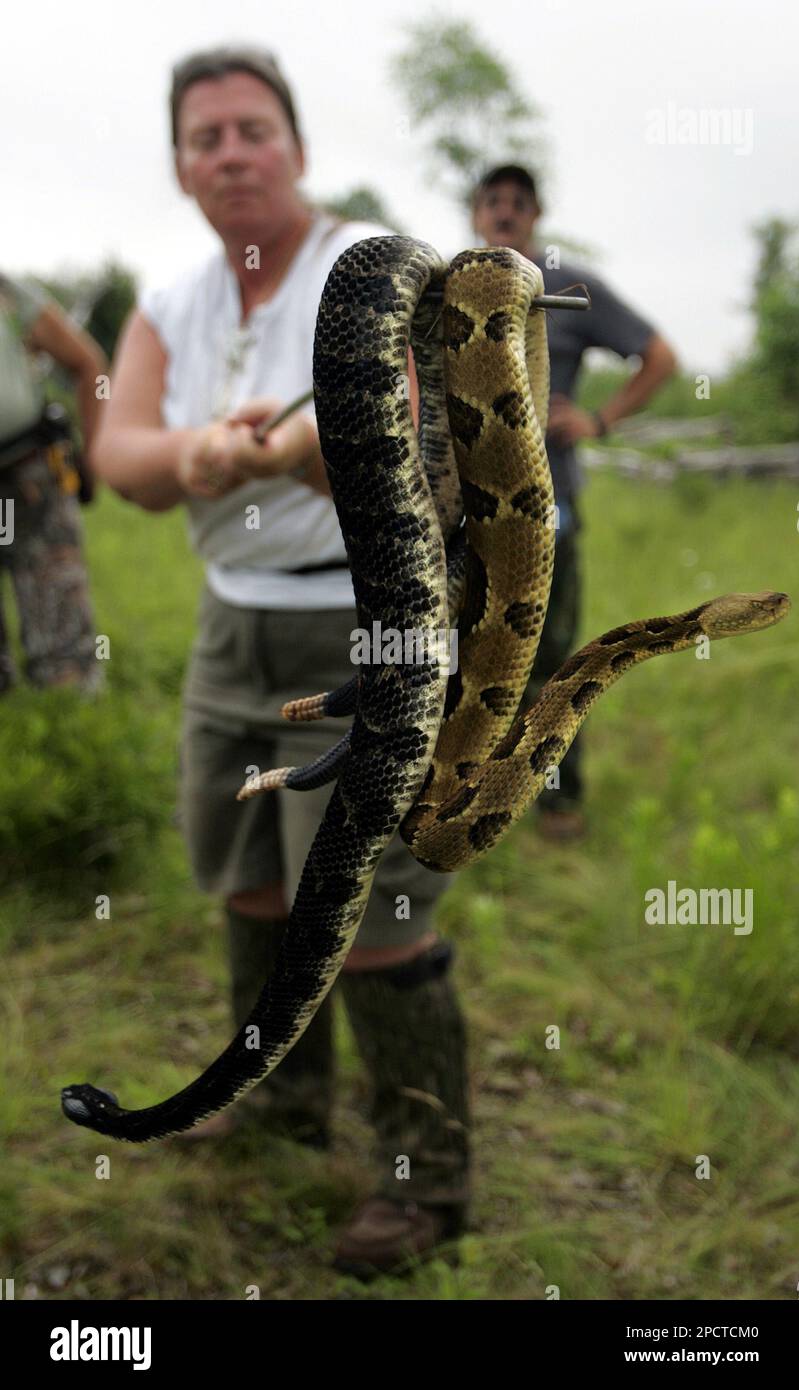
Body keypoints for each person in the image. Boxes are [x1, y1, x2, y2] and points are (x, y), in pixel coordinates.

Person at [91, 46, 470, 1277]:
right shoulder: (177, 296)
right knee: (252, 878)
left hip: (364, 622)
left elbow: (400, 419)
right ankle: (283, 1102)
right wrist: (198, 453)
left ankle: (424, 1181)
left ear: (295, 148)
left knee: (371, 909)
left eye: (253, 128)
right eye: (206, 137)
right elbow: (120, 452)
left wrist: (275, 450)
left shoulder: (363, 264)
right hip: (229, 630)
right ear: (181, 166)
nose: (232, 152)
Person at [472, 165, 678, 839]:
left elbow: (657, 356)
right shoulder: (457, 285)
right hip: (467, 512)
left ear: (535, 217)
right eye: (493, 202)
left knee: (553, 659)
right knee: (468, 659)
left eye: (518, 204)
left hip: (548, 508)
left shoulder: (564, 286)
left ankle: (556, 803)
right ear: (477, 214)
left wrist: (598, 419)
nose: (505, 213)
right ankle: (465, 797)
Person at [0, 273, 106, 694]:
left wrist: (95, 455)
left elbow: (87, 363)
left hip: (31, 474)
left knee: (60, 617)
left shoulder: (8, 292)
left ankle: (71, 708)